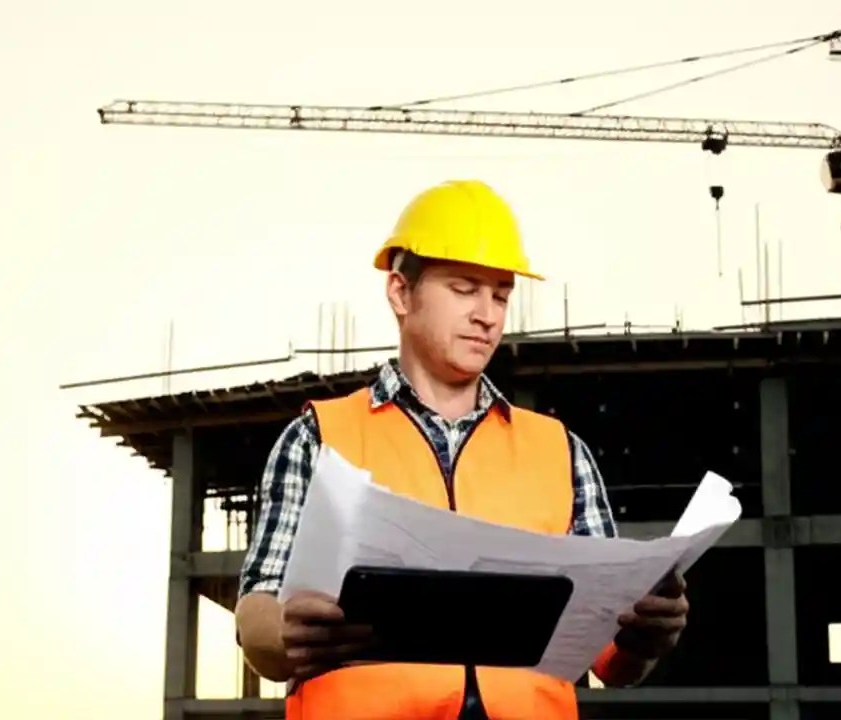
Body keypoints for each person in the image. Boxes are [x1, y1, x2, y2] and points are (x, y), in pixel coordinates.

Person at [234, 179, 690, 720]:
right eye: (465, 288)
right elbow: (257, 607)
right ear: (401, 293)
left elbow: (612, 662)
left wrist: (644, 636)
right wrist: (283, 631)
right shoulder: (319, 438)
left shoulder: (561, 451)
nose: (488, 315)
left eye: (500, 294)